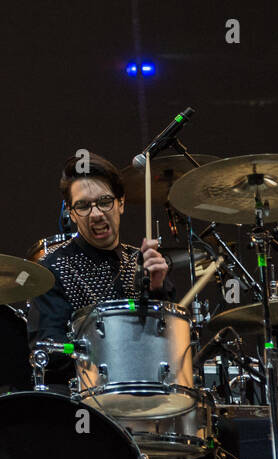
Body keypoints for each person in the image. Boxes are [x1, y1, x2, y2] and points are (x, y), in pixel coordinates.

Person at [28, 151, 173, 378]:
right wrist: (98, 353)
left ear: (121, 203)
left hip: (146, 393)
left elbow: (171, 345)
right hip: (84, 400)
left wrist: (157, 290)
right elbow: (49, 349)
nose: (95, 214)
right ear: (71, 213)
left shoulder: (142, 262)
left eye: (104, 202)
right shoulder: (52, 268)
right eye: (83, 206)